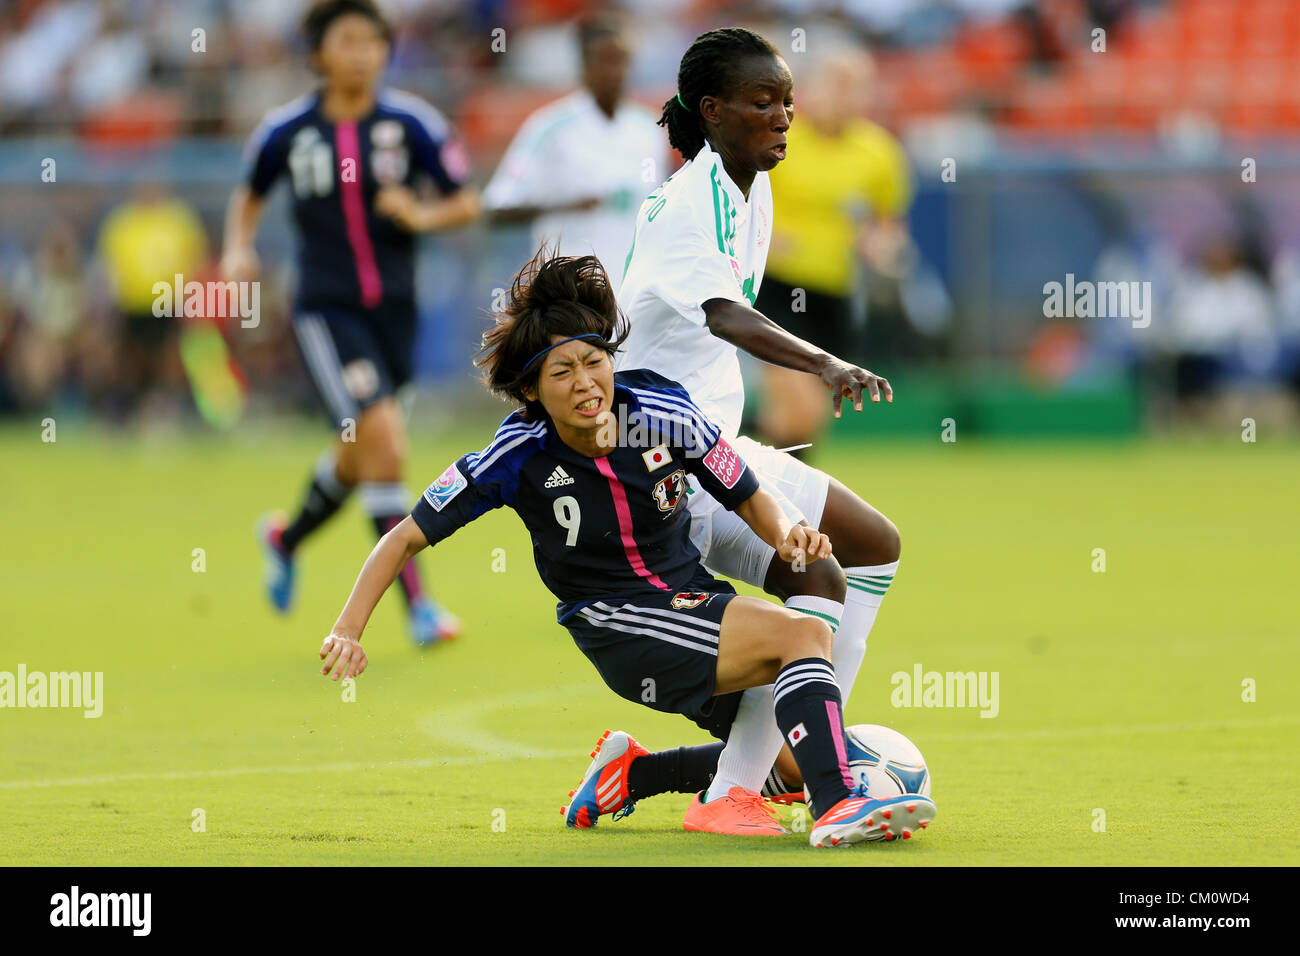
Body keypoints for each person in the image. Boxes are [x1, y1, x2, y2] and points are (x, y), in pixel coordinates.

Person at [316, 249, 936, 847]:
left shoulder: (667, 410)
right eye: (562, 372)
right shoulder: (515, 455)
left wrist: (786, 533)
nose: (586, 383)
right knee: (802, 635)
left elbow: (747, 494)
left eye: (594, 361)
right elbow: (403, 537)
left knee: (788, 761)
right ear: (532, 391)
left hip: (691, 600)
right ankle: (839, 808)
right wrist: (349, 628)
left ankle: (631, 774)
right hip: (618, 624)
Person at [574, 27, 907, 830]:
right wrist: (824, 363)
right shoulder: (689, 202)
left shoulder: (749, 185)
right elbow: (725, 314)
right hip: (666, 469)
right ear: (714, 111)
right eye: (765, 103)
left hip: (718, 448)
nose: (785, 118)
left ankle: (745, 774)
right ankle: (762, 787)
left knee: (869, 548)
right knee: (819, 586)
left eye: (788, 102)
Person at [220, 0, 480, 644]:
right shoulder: (289, 130)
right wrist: (238, 248)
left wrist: (420, 216)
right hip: (327, 310)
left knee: (359, 452)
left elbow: (466, 201)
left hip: (395, 311)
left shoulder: (411, 123)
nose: (362, 52)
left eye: (373, 41)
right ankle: (419, 608)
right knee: (386, 443)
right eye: (348, 40)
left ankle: (285, 537)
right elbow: (249, 191)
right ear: (318, 54)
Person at [754, 43, 913, 452]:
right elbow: (741, 206)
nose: (844, 95)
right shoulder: (779, 140)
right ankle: (779, 501)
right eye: (835, 83)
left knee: (802, 423)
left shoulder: (879, 152)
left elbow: (888, 223)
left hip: (835, 292)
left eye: (854, 86)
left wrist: (882, 246)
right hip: (778, 289)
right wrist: (766, 237)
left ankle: (740, 465)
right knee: (801, 408)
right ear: (811, 87)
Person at [482, 12, 667, 287]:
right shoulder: (550, 128)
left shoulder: (648, 130)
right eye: (604, 61)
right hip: (569, 292)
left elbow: (658, 211)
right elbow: (496, 208)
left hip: (632, 290)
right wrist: (565, 205)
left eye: (621, 61)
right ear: (583, 65)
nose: (614, 72)